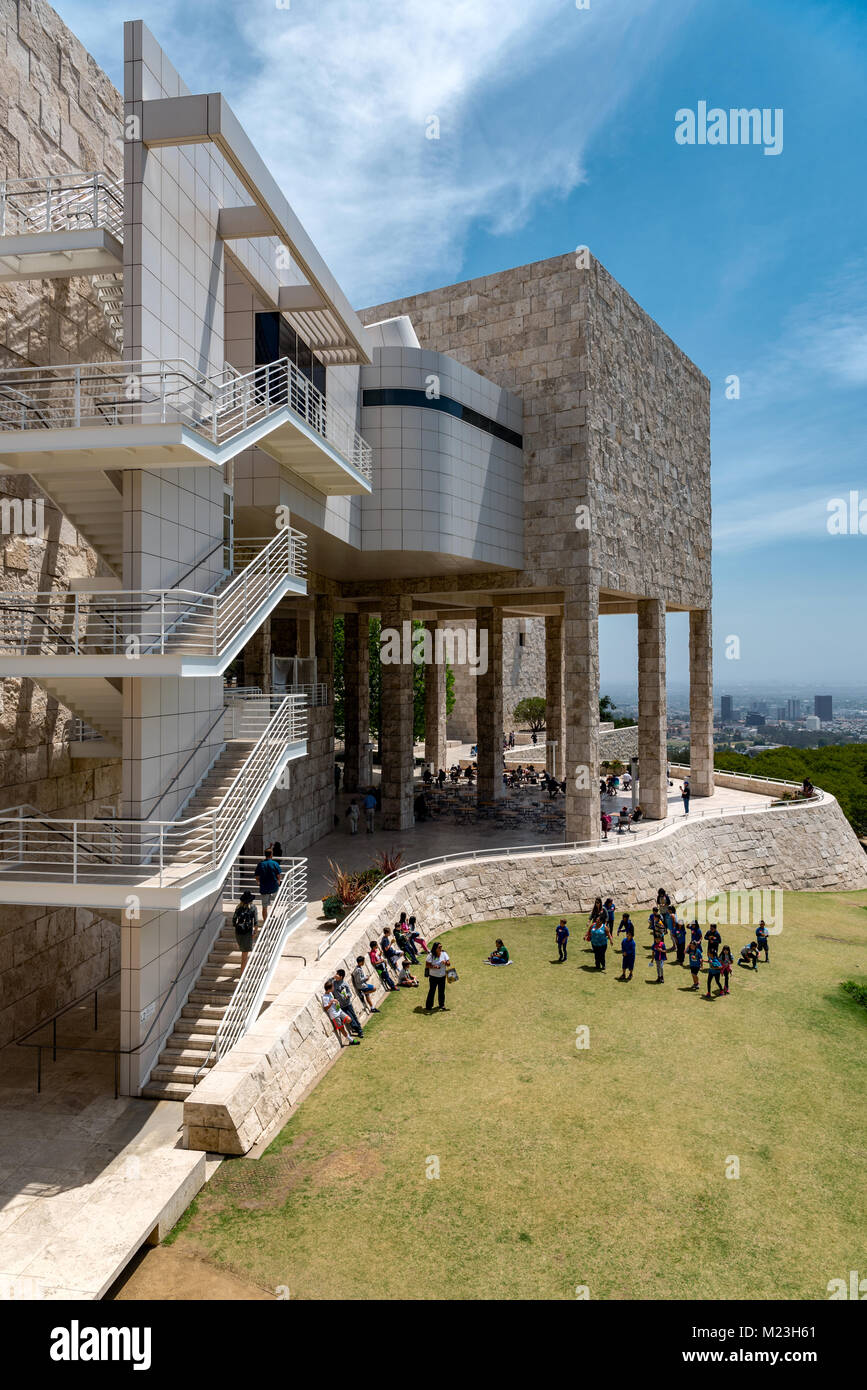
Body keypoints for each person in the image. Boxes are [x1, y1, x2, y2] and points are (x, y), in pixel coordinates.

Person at [321, 979, 360, 1045]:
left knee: (349, 1019)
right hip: (334, 1015)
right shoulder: (325, 997)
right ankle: (351, 1041)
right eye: (332, 987)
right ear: (329, 989)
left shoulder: (330, 993)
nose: (333, 988)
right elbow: (326, 1007)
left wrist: (336, 1003)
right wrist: (331, 1002)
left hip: (339, 1011)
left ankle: (342, 1024)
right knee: (342, 1029)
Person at [232, 890, 258, 976]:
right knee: (244, 955)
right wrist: (255, 931)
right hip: (247, 933)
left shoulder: (238, 907)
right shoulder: (253, 907)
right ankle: (242, 975)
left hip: (238, 933)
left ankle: (243, 970)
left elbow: (233, 921)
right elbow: (256, 922)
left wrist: (238, 927)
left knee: (243, 953)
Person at [332, 969, 364, 1036]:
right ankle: (357, 1029)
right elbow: (328, 983)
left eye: (337, 974)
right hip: (340, 1005)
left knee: (353, 1016)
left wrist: (347, 996)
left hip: (348, 1004)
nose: (336, 975)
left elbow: (350, 993)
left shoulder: (345, 984)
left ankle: (359, 1030)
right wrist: (333, 977)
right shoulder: (333, 983)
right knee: (349, 1018)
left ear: (341, 976)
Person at [254, 849, 282, 921]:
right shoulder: (275, 863)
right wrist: (278, 881)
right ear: (271, 855)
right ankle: (272, 912)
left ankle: (265, 923)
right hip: (274, 887)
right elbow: (278, 875)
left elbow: (256, 876)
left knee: (264, 907)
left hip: (264, 888)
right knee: (277, 899)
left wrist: (259, 883)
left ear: (265, 855)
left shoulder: (261, 864)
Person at [424, 941, 451, 1011]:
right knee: (432, 991)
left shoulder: (444, 953)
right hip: (433, 977)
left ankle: (441, 1005)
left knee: (441, 991)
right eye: (439, 947)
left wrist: (445, 962)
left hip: (442, 976)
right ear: (435, 948)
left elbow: (449, 964)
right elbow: (427, 965)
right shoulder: (431, 955)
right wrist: (434, 966)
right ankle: (429, 1006)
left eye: (441, 946)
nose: (441, 948)